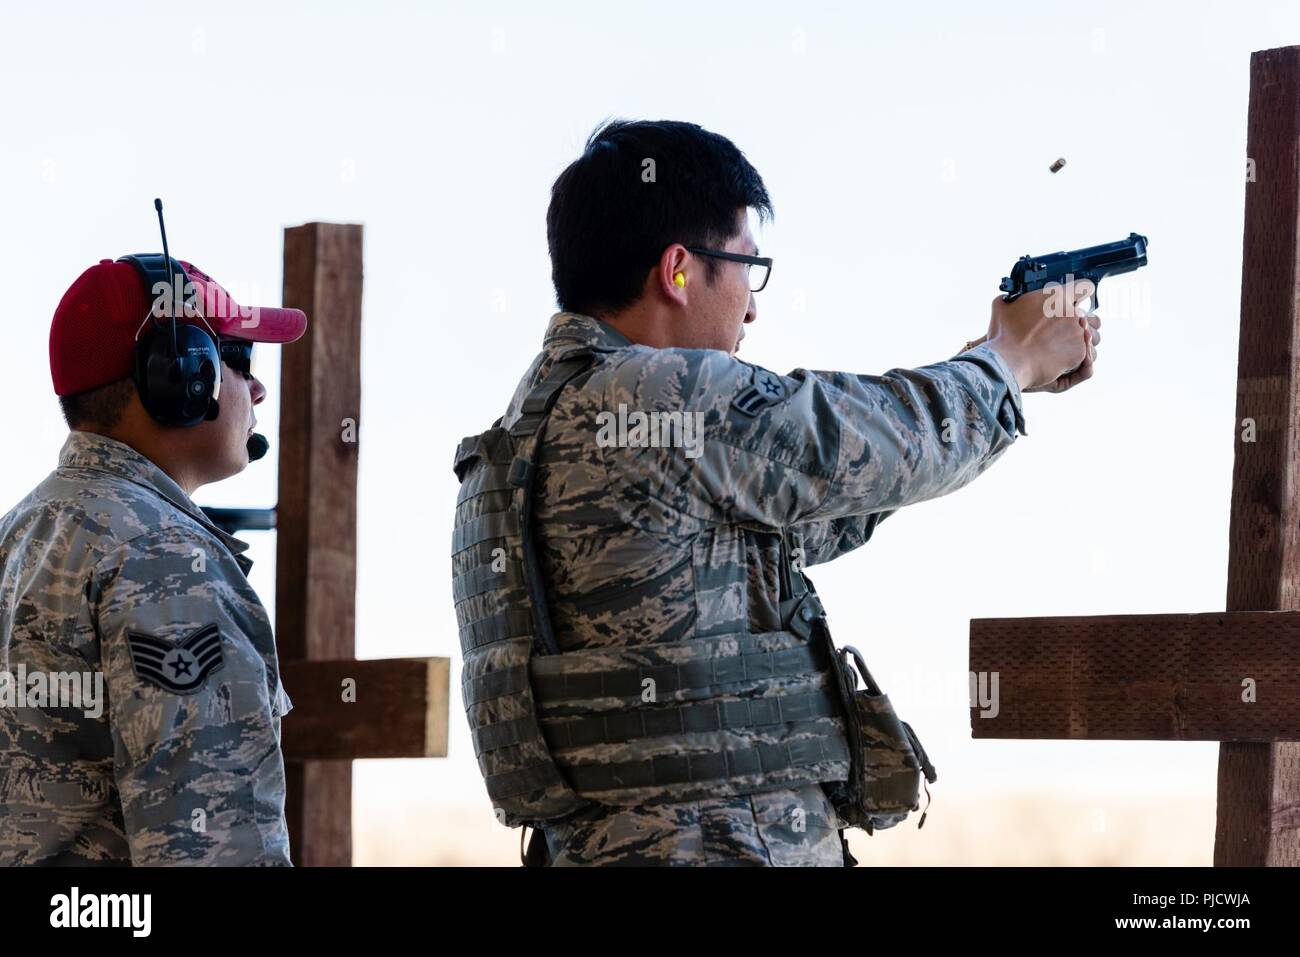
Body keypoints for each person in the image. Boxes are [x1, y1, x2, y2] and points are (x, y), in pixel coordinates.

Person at [453, 119, 1099, 866]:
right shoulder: (660, 399)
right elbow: (859, 441)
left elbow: (831, 491)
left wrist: (989, 375)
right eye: (745, 269)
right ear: (680, 270)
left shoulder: (533, 430)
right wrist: (1007, 362)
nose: (752, 308)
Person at [0, 255, 306, 865]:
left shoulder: (17, 538)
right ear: (181, 375)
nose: (259, 388)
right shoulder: (167, 559)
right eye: (240, 359)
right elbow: (211, 848)